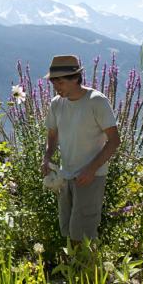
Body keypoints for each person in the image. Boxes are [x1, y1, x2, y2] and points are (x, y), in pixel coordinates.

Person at [41, 54, 120, 242]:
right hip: (65, 175)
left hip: (90, 177)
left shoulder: (96, 101)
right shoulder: (56, 103)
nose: (56, 87)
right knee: (67, 230)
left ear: (75, 78)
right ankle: (74, 270)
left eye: (60, 83)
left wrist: (91, 170)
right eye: (53, 83)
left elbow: (115, 140)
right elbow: (52, 135)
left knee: (83, 235)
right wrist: (47, 157)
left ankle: (87, 270)